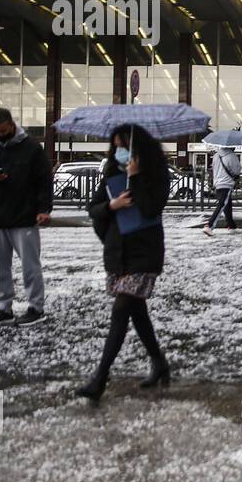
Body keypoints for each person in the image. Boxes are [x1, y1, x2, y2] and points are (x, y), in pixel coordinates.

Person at [77, 124, 171, 402]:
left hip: (144, 253)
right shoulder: (111, 174)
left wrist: (137, 178)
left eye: (124, 145)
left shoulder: (155, 173)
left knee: (121, 309)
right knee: (136, 311)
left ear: (136, 147)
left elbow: (152, 208)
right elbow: (93, 208)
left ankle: (100, 378)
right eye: (115, 145)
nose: (119, 151)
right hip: (118, 253)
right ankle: (159, 362)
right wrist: (111, 206)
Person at [0, 107, 53, 326]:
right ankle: (4, 308)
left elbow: (44, 181)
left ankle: (35, 307)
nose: (0, 133)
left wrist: (44, 209)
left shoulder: (31, 148)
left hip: (23, 216)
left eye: (3, 130)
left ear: (12, 125)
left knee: (30, 266)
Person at [203, 146, 241, 235]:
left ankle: (231, 225)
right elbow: (236, 170)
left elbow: (214, 169)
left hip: (218, 183)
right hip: (226, 183)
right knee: (222, 204)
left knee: (227, 204)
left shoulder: (216, 155)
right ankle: (209, 225)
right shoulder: (232, 155)